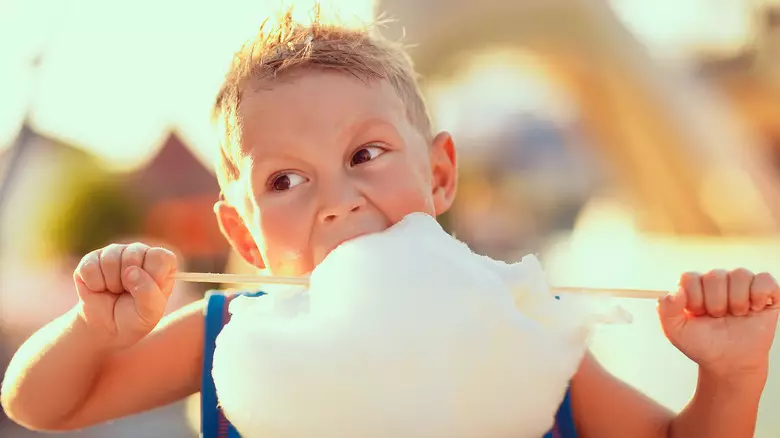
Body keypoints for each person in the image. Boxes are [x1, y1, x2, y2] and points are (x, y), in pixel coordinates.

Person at [2, 7, 778, 438]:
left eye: (366, 153)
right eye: (285, 180)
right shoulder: (222, 334)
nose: (336, 200)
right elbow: (41, 405)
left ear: (439, 174)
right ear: (243, 237)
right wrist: (93, 329)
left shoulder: (527, 329)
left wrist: (730, 372)